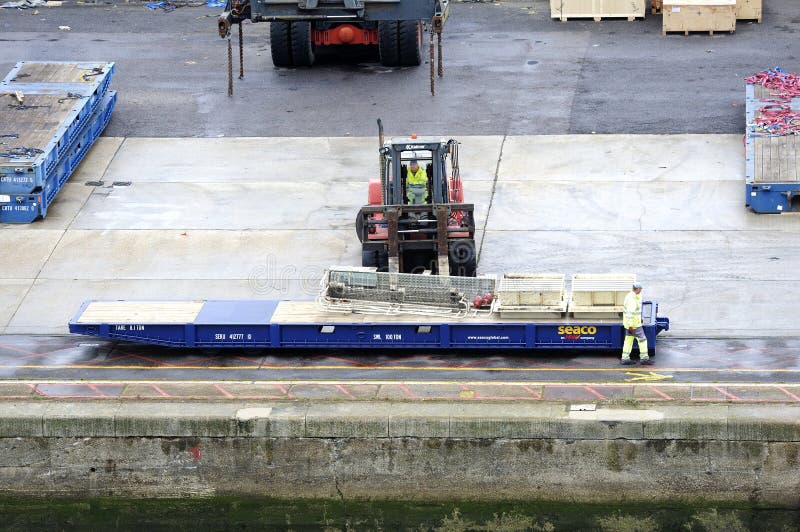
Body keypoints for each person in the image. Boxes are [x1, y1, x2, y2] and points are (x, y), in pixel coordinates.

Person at [620, 282, 652, 365]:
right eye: (640, 289)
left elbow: (636, 311)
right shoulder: (632, 299)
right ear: (637, 289)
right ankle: (644, 358)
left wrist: (639, 318)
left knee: (628, 341)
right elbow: (630, 314)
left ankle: (625, 358)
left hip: (630, 324)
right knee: (643, 340)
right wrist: (631, 326)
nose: (641, 290)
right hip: (634, 325)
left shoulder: (632, 296)